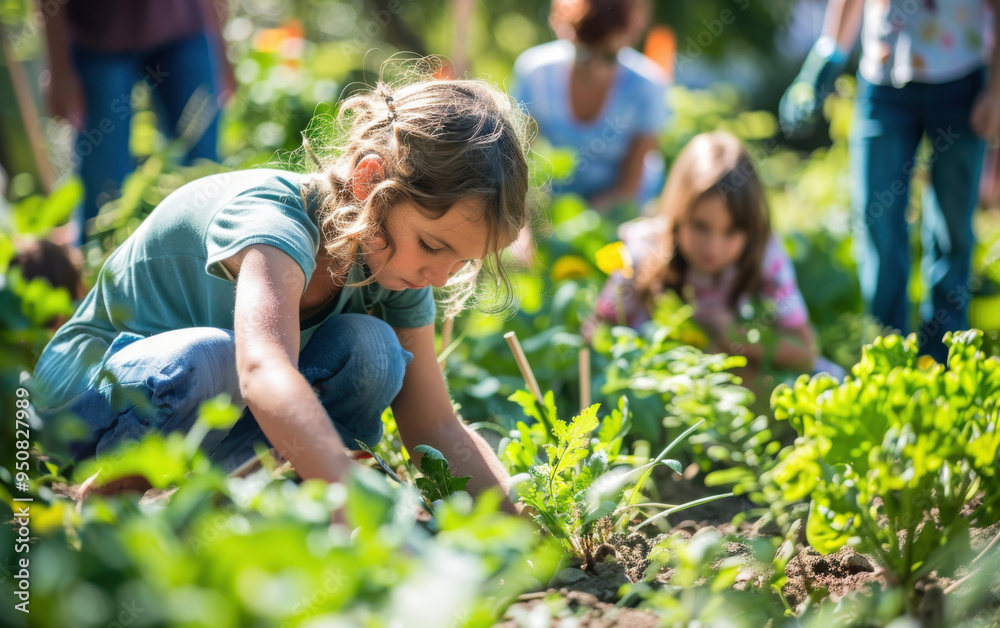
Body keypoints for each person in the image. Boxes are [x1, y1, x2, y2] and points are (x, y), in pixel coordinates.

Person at [30, 76, 530, 512]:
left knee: (375, 350)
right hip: (86, 399)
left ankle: (235, 495)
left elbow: (434, 422)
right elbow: (261, 371)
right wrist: (347, 493)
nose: (440, 276)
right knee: (214, 359)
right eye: (431, 245)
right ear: (370, 181)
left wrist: (513, 521)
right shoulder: (272, 220)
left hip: (198, 407)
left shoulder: (394, 263)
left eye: (462, 261)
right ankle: (106, 502)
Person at [780, 0, 1000, 363]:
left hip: (960, 76)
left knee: (952, 232)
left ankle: (942, 362)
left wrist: (995, 87)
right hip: (883, 77)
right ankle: (887, 357)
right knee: (878, 222)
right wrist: (830, 50)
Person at [588, 132, 830, 386]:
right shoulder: (644, 252)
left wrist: (733, 335)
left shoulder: (764, 257)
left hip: (731, 385)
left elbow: (805, 351)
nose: (714, 247)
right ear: (677, 215)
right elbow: (598, 329)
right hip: (653, 382)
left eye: (731, 231)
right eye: (700, 227)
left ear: (751, 228)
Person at [39, 0, 233, 246]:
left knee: (205, 171)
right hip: (98, 38)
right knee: (104, 196)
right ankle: (100, 272)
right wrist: (58, 66)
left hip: (184, 30)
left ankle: (208, 261)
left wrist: (222, 51)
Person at [512, 0, 668, 211]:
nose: (597, 69)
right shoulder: (535, 73)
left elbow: (629, 188)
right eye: (586, 54)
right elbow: (517, 162)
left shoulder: (647, 86)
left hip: (616, 205)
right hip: (551, 200)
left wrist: (578, 223)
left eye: (610, 57)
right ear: (567, 34)